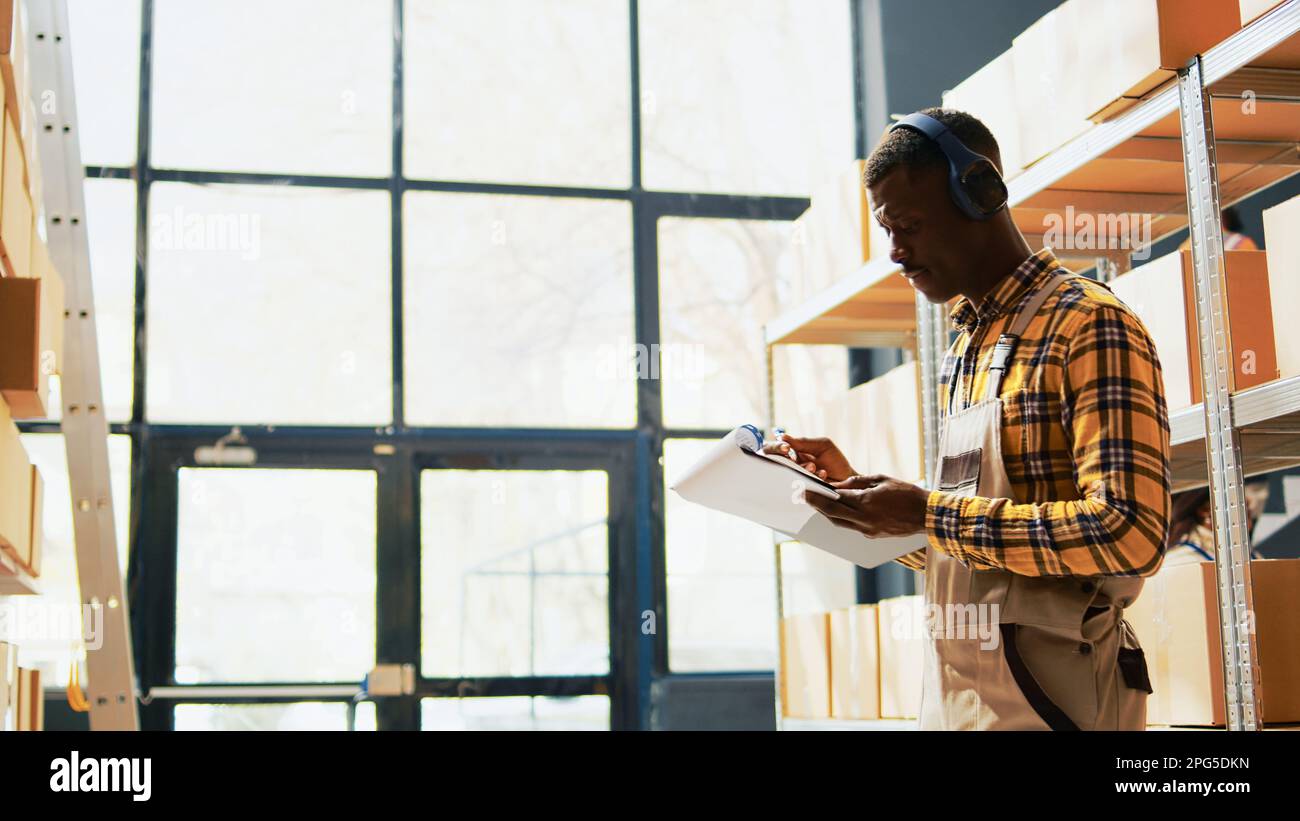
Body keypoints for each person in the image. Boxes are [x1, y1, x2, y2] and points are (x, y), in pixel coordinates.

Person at [764, 108, 1172, 730]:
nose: (898, 252)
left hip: (1062, 705)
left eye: (911, 227)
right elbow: (976, 558)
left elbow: (1129, 532)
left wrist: (926, 512)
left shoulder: (1087, 325)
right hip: (964, 703)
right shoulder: (966, 347)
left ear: (981, 194)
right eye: (887, 230)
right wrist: (866, 504)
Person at [1165, 481, 1269, 566]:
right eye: (1235, 499)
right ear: (1205, 510)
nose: (1247, 503)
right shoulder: (1182, 561)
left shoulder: (1252, 555)